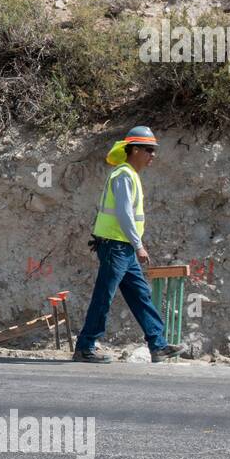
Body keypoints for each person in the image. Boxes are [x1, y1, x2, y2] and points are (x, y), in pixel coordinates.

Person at [73, 126, 184, 364]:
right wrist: (139, 245)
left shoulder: (130, 174)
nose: (153, 155)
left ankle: (158, 345)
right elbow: (124, 214)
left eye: (154, 150)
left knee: (140, 295)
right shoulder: (123, 175)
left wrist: (133, 246)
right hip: (116, 246)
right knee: (104, 296)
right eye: (149, 150)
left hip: (121, 247)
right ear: (134, 150)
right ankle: (85, 346)